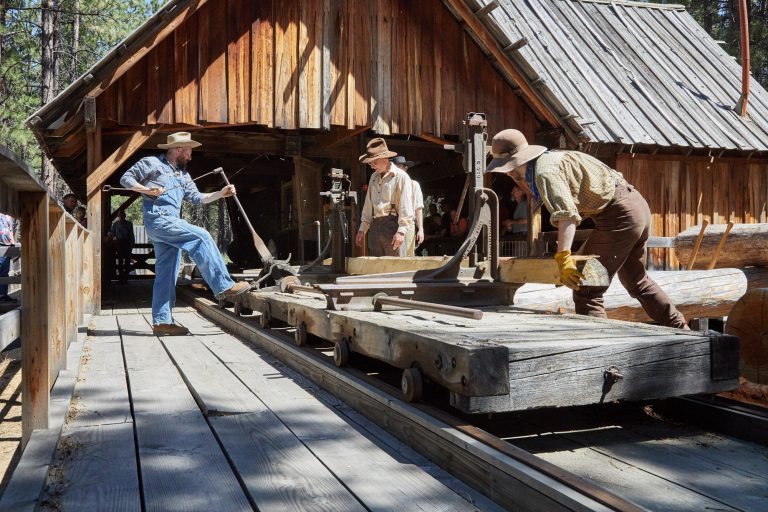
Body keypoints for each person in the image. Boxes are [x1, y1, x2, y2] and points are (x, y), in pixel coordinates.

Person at [486, 128, 687, 329]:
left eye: (508, 170)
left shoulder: (544, 172)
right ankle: (682, 329)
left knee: (586, 287)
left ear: (514, 164)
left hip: (619, 214)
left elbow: (567, 216)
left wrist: (563, 257)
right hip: (635, 205)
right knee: (637, 282)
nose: (510, 175)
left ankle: (599, 348)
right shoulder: (553, 159)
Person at [120, 132, 249, 336]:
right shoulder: (151, 163)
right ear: (178, 149)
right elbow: (126, 178)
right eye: (188, 151)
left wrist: (220, 193)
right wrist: (145, 190)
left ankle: (162, 322)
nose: (190, 156)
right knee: (202, 236)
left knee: (166, 273)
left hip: (169, 223)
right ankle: (223, 286)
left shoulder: (183, 175)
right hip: (159, 220)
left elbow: (198, 198)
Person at [356, 138, 414, 256]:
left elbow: (406, 207)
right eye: (370, 163)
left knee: (396, 270)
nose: (372, 166)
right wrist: (363, 229)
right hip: (375, 227)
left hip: (393, 228)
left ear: (385, 159)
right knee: (376, 269)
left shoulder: (401, 177)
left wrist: (401, 232)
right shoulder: (373, 177)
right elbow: (368, 205)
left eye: (374, 162)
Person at [392, 155, 424, 256]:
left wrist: (421, 229)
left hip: (408, 224)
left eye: (398, 167)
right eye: (394, 167)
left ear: (405, 168)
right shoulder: (390, 184)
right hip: (390, 222)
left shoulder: (413, 184)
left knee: (407, 257)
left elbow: (418, 208)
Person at [111, 211, 135, 284]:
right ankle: (121, 279)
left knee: (127, 263)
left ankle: (125, 278)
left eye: (122, 215)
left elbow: (131, 235)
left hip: (127, 243)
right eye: (119, 215)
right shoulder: (115, 224)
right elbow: (112, 234)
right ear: (118, 216)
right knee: (120, 262)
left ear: (125, 215)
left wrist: (132, 245)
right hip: (119, 244)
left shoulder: (129, 224)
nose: (121, 216)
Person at [0, 213, 16, 302]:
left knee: (5, 271)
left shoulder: (9, 216)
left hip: (7, 245)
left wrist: (13, 244)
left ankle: (3, 295)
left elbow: (10, 231)